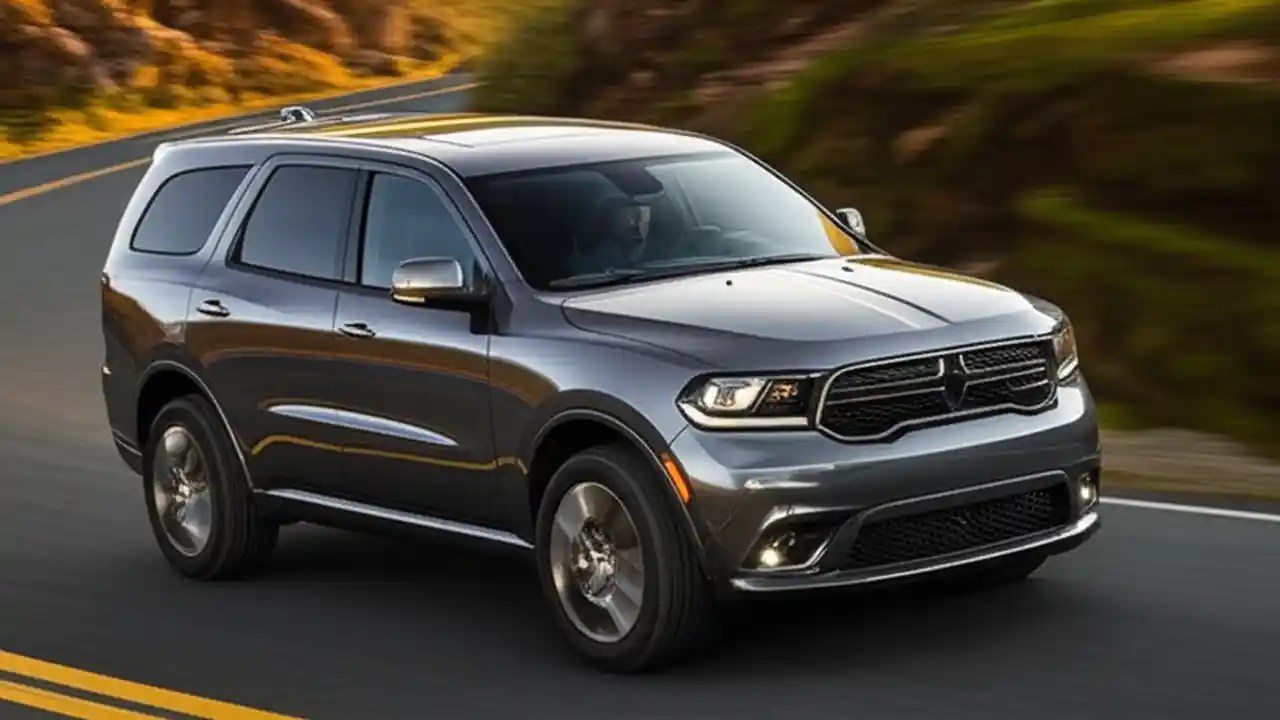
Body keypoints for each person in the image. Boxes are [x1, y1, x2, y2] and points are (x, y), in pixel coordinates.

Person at [566, 195, 653, 277]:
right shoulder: (594, 260)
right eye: (626, 217)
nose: (634, 223)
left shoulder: (662, 254)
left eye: (640, 216)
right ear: (610, 224)